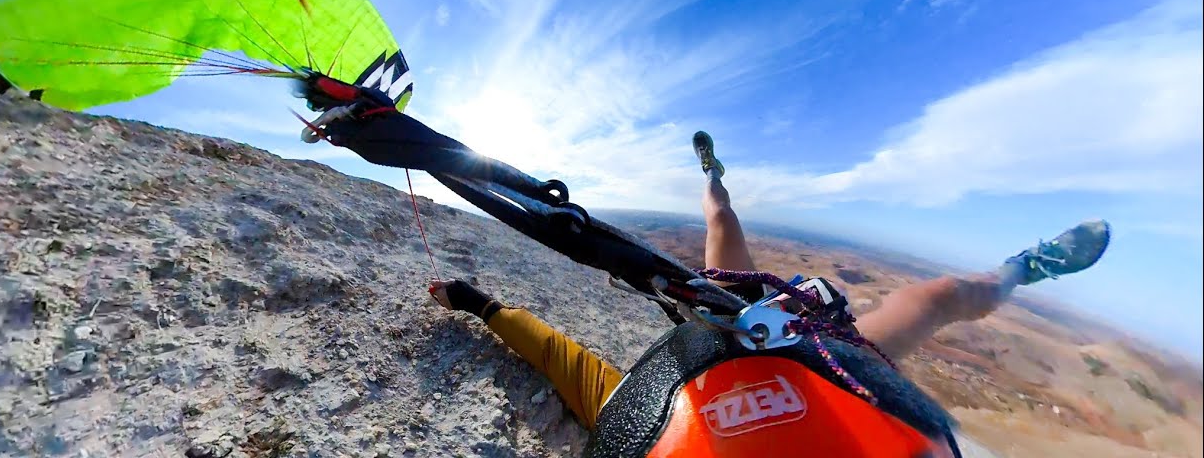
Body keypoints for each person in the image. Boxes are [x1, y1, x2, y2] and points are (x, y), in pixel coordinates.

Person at [429, 131, 1112, 456]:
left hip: (728, 328)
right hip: (827, 354)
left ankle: (712, 176)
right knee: (939, 296)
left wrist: (480, 303)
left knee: (722, 220)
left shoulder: (642, 427)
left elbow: (567, 365)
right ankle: (1022, 269)